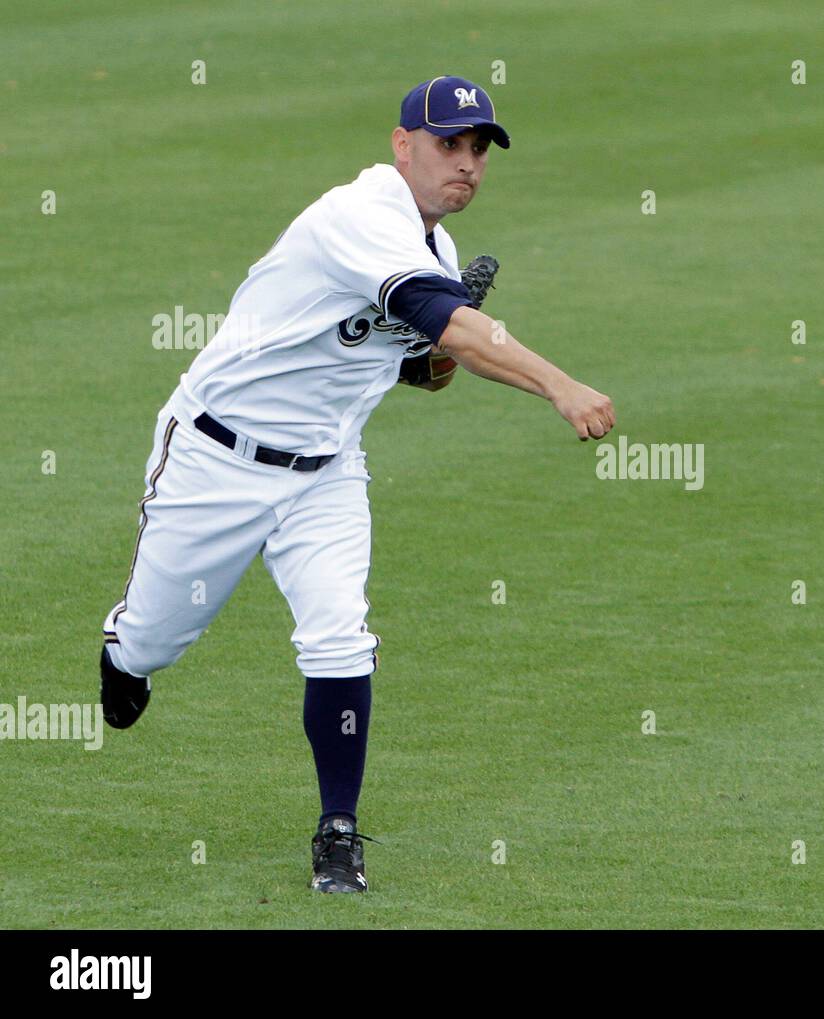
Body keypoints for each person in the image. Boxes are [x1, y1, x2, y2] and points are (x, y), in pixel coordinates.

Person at [99, 75, 615, 893]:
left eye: (480, 148)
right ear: (401, 145)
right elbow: (452, 331)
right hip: (216, 458)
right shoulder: (360, 218)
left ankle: (337, 830)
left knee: (339, 637)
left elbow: (425, 370)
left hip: (327, 470)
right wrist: (558, 384)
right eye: (449, 143)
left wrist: (437, 355)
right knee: (154, 642)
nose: (467, 163)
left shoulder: (431, 250)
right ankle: (125, 651)